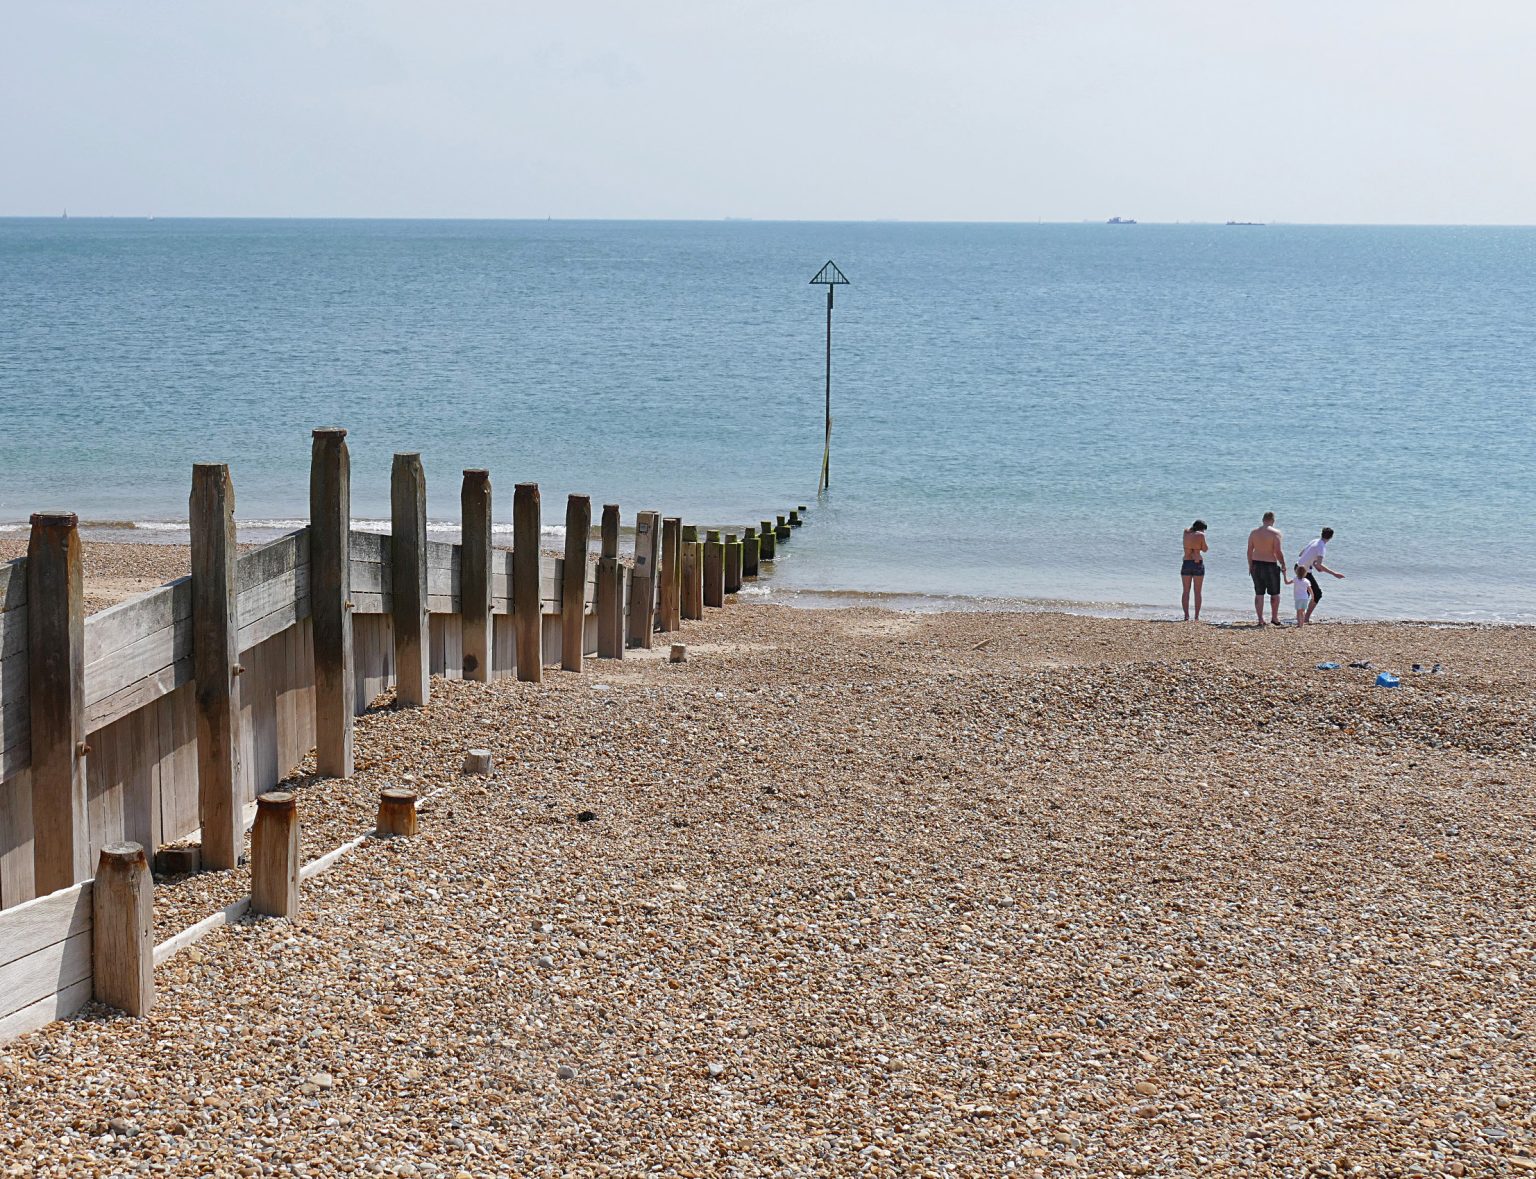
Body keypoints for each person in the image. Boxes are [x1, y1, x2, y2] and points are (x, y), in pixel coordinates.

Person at [1246, 511, 1292, 626]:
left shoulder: (1254, 532)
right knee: (1274, 593)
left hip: (1256, 564)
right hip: (1270, 564)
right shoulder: (1275, 533)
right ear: (1273, 520)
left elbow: (1249, 551)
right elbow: (1277, 551)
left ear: (1263, 520)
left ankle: (1260, 619)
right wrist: (1283, 563)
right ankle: (1274, 618)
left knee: (1259, 593)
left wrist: (1250, 565)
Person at [1297, 527, 1344, 624]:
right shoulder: (1322, 547)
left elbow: (1301, 554)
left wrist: (1313, 563)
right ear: (1331, 537)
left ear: (1321, 534)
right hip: (1304, 570)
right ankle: (1305, 618)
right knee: (1317, 594)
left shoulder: (1315, 541)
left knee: (1306, 593)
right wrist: (1334, 574)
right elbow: (1319, 565)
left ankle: (1301, 615)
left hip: (1297, 567)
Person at [1180, 520, 1209, 621]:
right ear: (1201, 529)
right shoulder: (1200, 535)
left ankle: (1186, 615)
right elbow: (1205, 549)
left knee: (1186, 591)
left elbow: (1188, 530)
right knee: (1197, 592)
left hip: (1187, 562)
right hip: (1197, 564)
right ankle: (1196, 616)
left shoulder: (1185, 533)